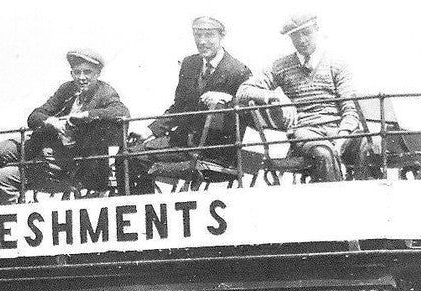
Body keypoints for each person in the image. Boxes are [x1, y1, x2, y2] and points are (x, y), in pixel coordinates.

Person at [0, 49, 129, 204]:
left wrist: (86, 115)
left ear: (97, 74)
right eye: (77, 72)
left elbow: (121, 112)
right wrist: (50, 121)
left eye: (87, 72)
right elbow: (35, 116)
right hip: (51, 163)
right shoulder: (67, 89)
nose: (81, 77)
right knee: (3, 176)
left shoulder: (105, 92)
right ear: (72, 74)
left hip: (80, 168)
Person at [235, 12, 364, 182]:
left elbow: (350, 108)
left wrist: (342, 137)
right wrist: (276, 97)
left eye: (306, 33)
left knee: (369, 146)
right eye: (295, 36)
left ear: (317, 29)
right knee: (324, 153)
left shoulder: (337, 64)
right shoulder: (281, 66)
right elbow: (243, 91)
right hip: (305, 132)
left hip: (339, 130)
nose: (302, 40)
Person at [130, 16, 252, 191]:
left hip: (213, 151)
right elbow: (179, 107)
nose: (202, 41)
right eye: (198, 35)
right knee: (127, 155)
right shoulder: (190, 64)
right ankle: (144, 205)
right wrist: (150, 130)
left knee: (135, 159)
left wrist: (229, 100)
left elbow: (248, 111)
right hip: (182, 142)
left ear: (222, 35)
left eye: (209, 35)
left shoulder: (239, 71)